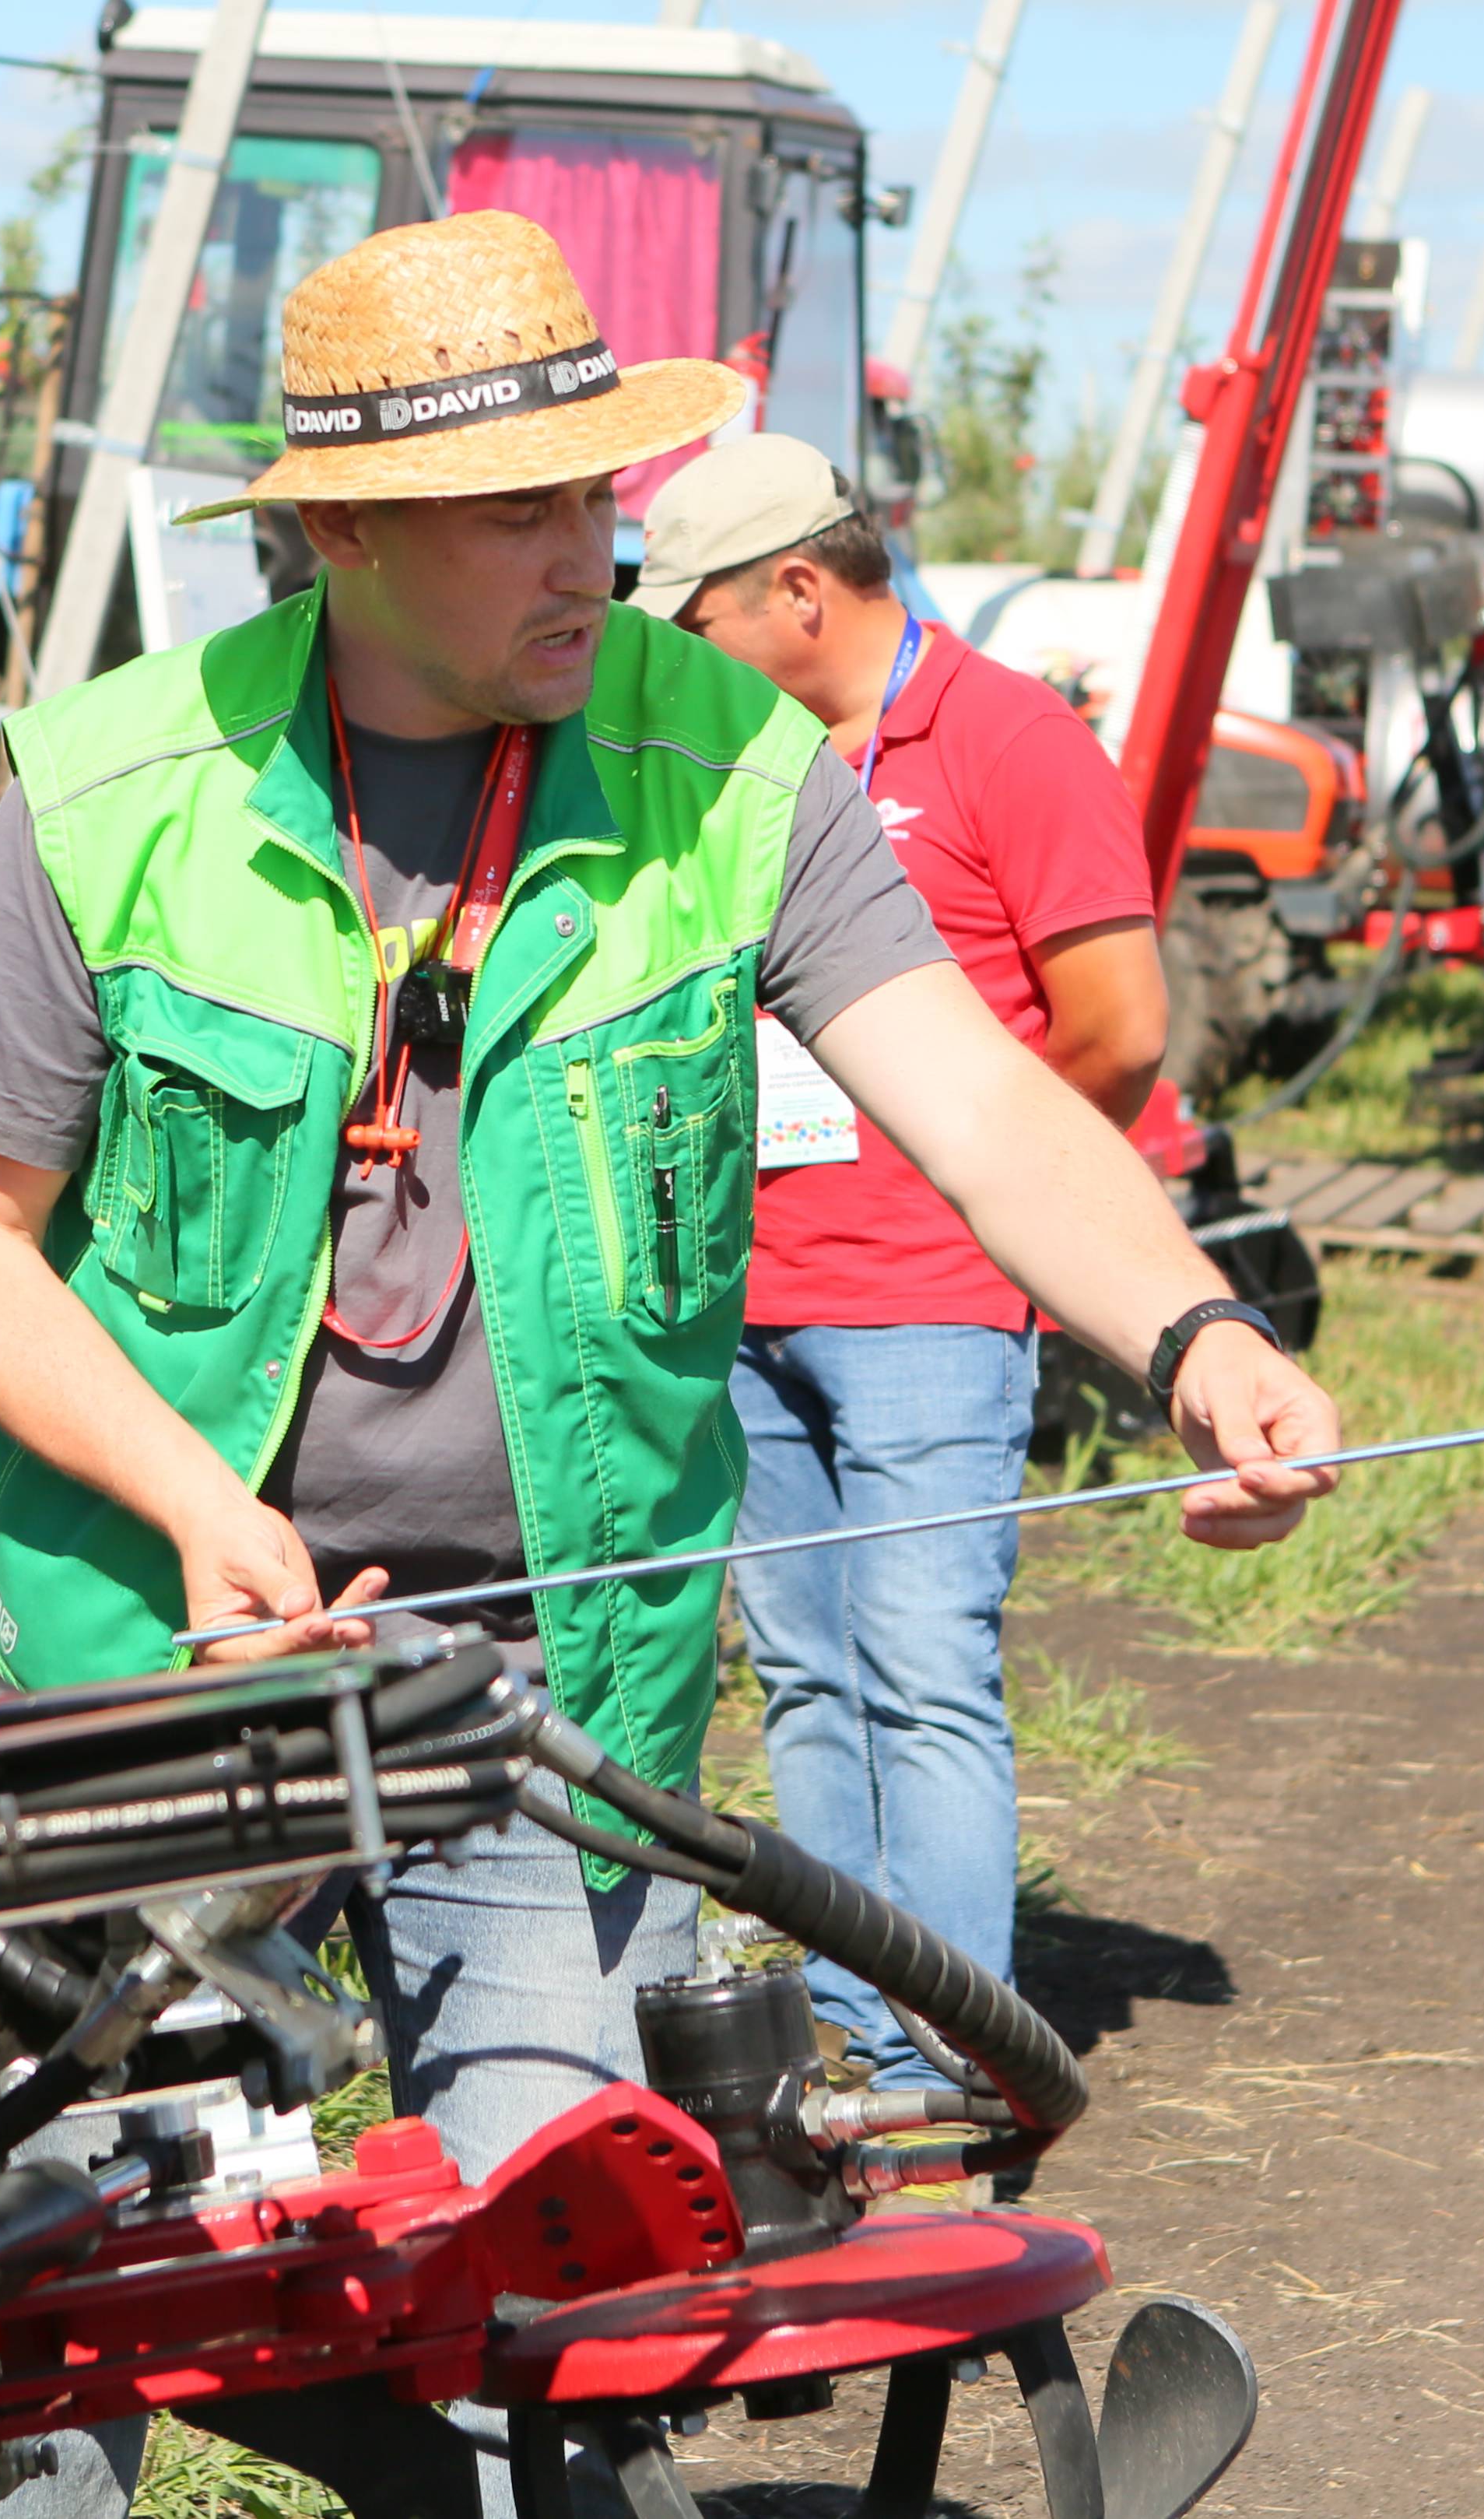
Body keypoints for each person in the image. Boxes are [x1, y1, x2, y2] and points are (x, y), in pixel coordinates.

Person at [0, 210, 1341, 2517]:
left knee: (558, 2289)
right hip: (156, 1668)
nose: (597, 548)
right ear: (341, 532)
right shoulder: (112, 788)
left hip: (543, 1683)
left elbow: (981, 1098)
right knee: (58, 2282)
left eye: (601, 490)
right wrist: (191, 1503)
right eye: (523, 505)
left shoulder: (728, 766)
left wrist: (1195, 1328)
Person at [633, 436, 1168, 2110]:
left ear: (802, 588)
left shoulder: (1009, 737)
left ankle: (953, 2049)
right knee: (804, 1670)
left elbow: (1120, 1032)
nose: (675, 654)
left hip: (933, 1296)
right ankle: (868, 2036)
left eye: (698, 618)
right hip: (752, 1289)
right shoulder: (730, 760)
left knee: (924, 1664)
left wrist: (983, 1195)